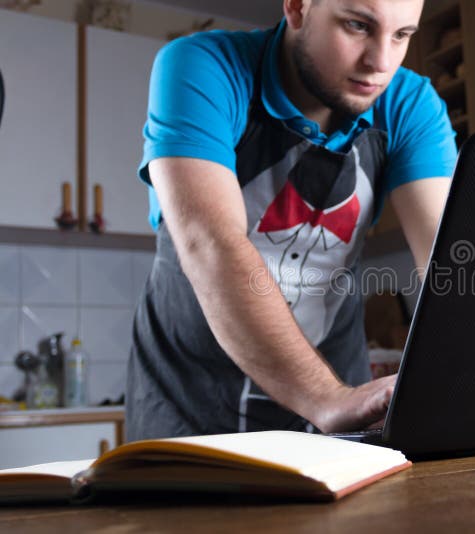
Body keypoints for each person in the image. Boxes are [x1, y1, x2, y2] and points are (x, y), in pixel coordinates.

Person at [126, 0, 457, 440]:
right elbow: (211, 244)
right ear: (298, 8)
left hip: (340, 409)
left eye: (401, 36)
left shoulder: (410, 104)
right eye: (358, 26)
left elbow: (446, 256)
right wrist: (326, 398)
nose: (381, 63)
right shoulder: (203, 66)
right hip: (190, 409)